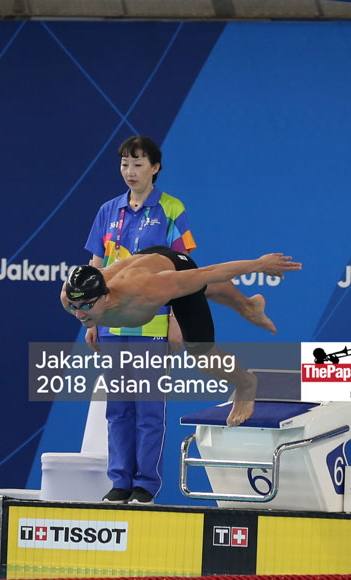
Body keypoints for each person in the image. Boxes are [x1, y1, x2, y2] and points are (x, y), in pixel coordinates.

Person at [83, 136, 274, 505]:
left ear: (155, 167)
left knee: (148, 410)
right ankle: (119, 481)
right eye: (124, 164)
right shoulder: (108, 210)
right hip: (111, 322)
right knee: (118, 408)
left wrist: (174, 319)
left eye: (138, 164)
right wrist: (92, 320)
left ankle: (144, 484)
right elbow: (97, 268)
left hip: (153, 321)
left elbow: (183, 269)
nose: (130, 172)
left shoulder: (171, 209)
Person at [61, 248, 301, 428]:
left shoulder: (147, 290)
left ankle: (246, 383)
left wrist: (259, 264)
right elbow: (81, 304)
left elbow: (210, 272)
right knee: (201, 288)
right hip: (148, 263)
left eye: (86, 307)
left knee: (205, 360)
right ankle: (249, 307)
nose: (79, 314)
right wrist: (90, 322)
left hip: (173, 269)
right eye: (74, 307)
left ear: (104, 297)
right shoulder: (70, 296)